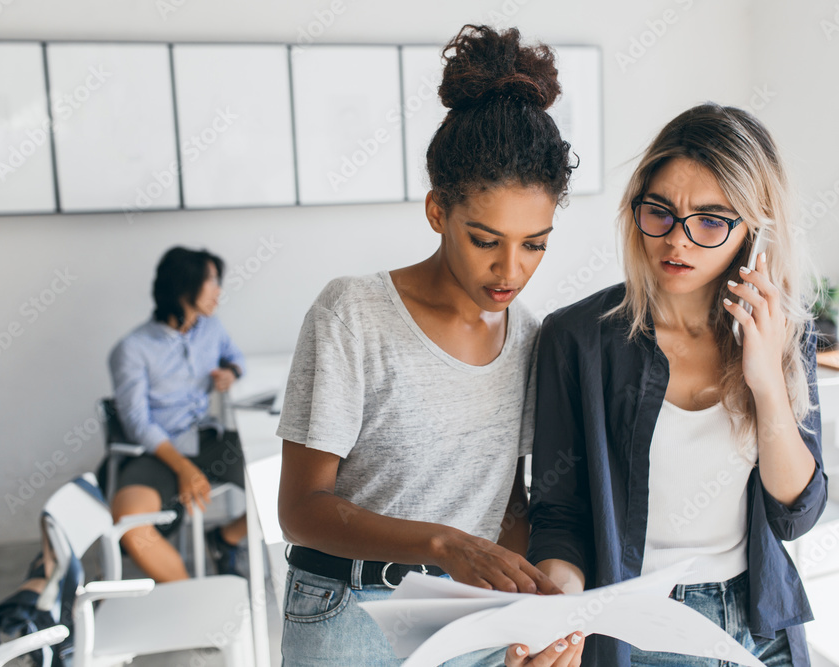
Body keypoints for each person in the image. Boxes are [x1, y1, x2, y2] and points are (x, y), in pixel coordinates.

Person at [276, 24, 583, 666]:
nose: (510, 270)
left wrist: (537, 611)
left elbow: (508, 505)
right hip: (351, 610)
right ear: (438, 211)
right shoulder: (353, 314)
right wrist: (441, 544)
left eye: (534, 244)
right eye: (485, 240)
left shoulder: (529, 337)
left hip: (473, 615)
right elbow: (302, 510)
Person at [527, 103, 826, 666]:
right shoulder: (577, 339)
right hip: (643, 632)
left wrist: (766, 381)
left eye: (711, 220)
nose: (677, 241)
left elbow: (796, 514)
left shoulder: (782, 333)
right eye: (659, 212)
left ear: (755, 231)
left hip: (762, 627)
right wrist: (560, 609)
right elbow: (559, 516)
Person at [102, 246, 248, 582]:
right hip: (158, 452)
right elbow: (138, 423)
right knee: (129, 522)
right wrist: (183, 468)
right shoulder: (132, 349)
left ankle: (226, 538)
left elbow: (237, 357)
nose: (218, 291)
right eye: (212, 281)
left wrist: (231, 372)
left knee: (280, 475)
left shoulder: (211, 328)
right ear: (184, 287)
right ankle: (191, 600)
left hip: (208, 439)